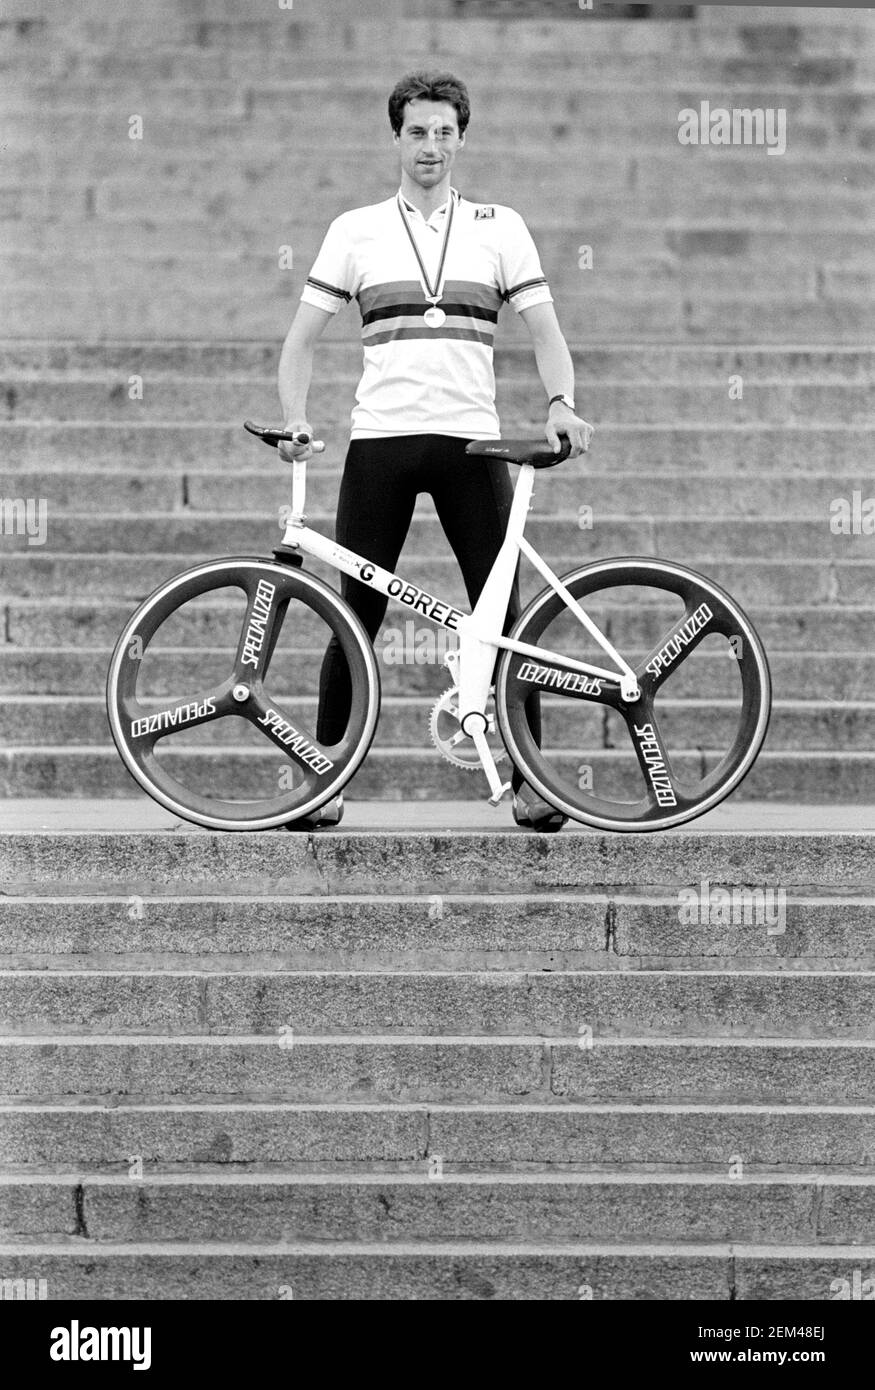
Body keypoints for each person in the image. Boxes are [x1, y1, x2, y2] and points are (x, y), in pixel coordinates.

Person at [277, 70, 593, 831]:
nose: (430, 145)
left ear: (461, 137)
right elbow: (299, 344)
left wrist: (560, 403)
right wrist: (294, 420)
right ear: (396, 136)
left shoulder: (499, 225)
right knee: (352, 615)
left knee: (504, 619)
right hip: (380, 441)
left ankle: (534, 784)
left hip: (473, 444)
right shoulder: (354, 229)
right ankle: (325, 779)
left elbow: (545, 332)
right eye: (417, 131)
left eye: (444, 132)